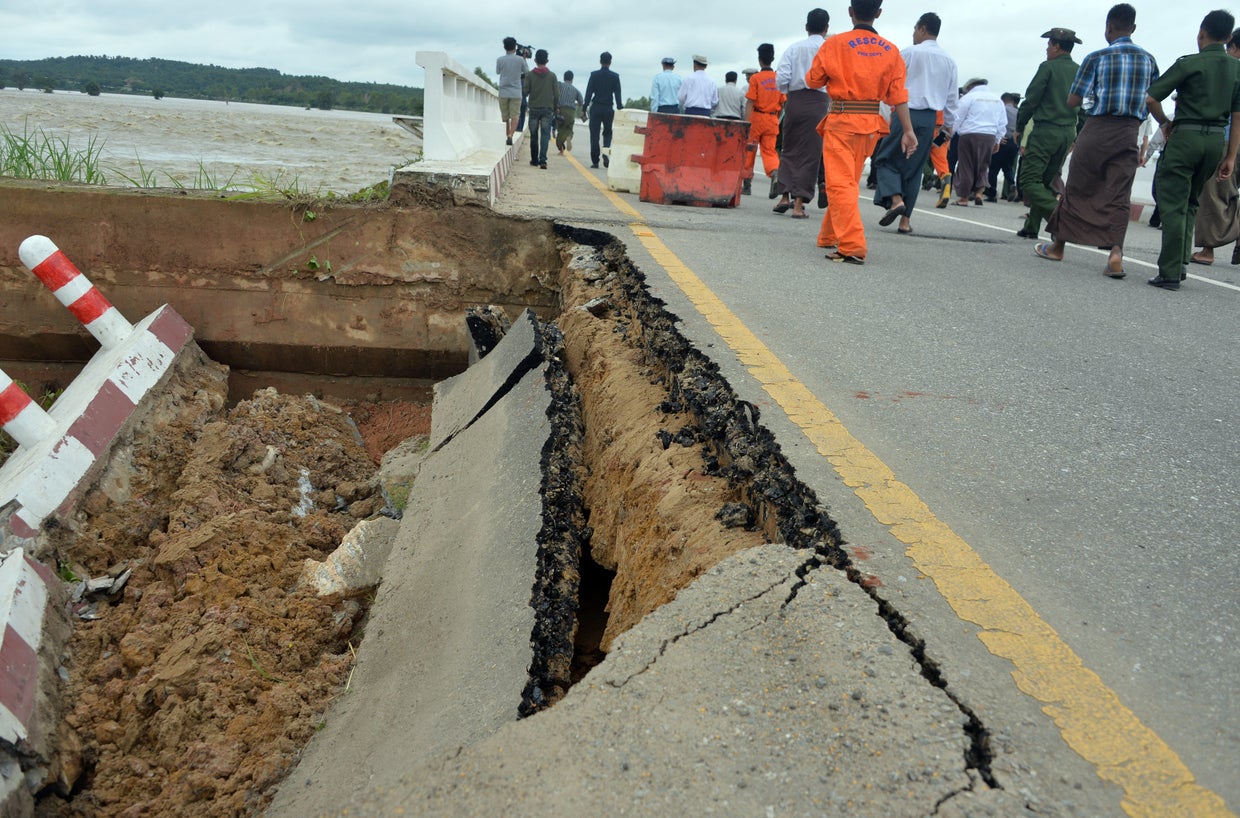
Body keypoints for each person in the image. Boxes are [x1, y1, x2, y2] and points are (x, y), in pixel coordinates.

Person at [1035, 4, 1159, 278]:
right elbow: (1153, 99)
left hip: (1097, 129)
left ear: (1108, 27)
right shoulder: (1149, 60)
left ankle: (1058, 246)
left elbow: (1073, 101)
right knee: (1119, 195)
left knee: (1078, 187)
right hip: (1129, 131)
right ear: (1133, 28)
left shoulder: (1096, 57)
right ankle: (1116, 254)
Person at [806, 0, 917, 264]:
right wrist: (908, 131)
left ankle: (852, 244)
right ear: (878, 13)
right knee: (847, 181)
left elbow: (813, 80)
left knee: (839, 183)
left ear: (850, 12)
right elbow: (898, 96)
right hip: (870, 124)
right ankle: (828, 235)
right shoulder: (891, 51)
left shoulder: (835, 44)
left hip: (842, 120)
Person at [1145, 11, 1240, 290]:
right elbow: (1238, 115)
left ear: (1201, 33)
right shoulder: (1236, 69)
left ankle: (1170, 271)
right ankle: (1182, 262)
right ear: (1229, 37)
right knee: (1191, 202)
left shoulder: (1190, 63)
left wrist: (1164, 123)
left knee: (1173, 202)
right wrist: (1231, 156)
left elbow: (1151, 98)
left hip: (1186, 137)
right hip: (1215, 144)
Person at [872, 11, 958, 235]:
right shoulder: (949, 60)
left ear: (922, 28)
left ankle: (895, 199)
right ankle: (905, 222)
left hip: (905, 113)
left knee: (885, 159)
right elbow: (951, 99)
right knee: (915, 168)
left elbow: (889, 83)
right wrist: (948, 126)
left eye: (914, 29)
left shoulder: (909, 53)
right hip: (931, 119)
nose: (913, 34)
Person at [1014, 28, 1082, 239]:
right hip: (1068, 132)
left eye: (1049, 45)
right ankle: (1032, 226)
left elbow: (1031, 100)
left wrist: (1019, 126)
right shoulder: (1079, 70)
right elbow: (1086, 105)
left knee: (1028, 180)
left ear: (1057, 46)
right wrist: (1077, 135)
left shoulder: (1048, 68)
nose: (1046, 49)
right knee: (1045, 181)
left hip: (1046, 131)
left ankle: (1059, 217)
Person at [1188, 28, 1240, 266]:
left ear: (1234, 47)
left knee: (1215, 192)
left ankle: (1208, 251)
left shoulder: (1229, 70)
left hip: (1228, 137)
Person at [774, 8, 831, 219]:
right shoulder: (829, 48)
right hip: (819, 102)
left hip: (795, 100)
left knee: (789, 148)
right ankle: (799, 205)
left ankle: (785, 196)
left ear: (806, 27)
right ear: (826, 28)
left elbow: (781, 78)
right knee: (811, 154)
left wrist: (789, 91)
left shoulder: (793, 48)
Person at [951, 79, 1007, 206]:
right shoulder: (997, 100)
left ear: (970, 87)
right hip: (989, 136)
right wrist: (998, 139)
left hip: (969, 134)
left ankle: (964, 198)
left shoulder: (968, 98)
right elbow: (1002, 122)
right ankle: (979, 193)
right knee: (983, 165)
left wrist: (949, 135)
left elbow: (957, 118)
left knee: (966, 165)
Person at [746, 43, 785, 198]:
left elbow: (750, 101)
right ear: (772, 58)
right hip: (772, 119)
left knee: (750, 151)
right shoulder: (778, 78)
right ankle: (775, 173)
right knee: (769, 151)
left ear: (759, 60)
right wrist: (775, 117)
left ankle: (746, 185)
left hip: (757, 118)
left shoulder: (755, 78)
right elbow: (782, 103)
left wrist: (747, 122)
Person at [583, 52, 623, 169]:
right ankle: (605, 153)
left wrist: (584, 108)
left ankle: (595, 161)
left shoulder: (594, 75)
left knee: (594, 135)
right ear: (610, 62)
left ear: (600, 61)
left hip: (596, 108)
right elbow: (618, 94)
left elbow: (588, 93)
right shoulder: (615, 77)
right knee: (607, 133)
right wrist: (620, 107)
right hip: (608, 108)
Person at [523, 49, 558, 169]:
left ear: (535, 60)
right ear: (547, 61)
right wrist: (556, 107)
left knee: (533, 135)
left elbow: (525, 91)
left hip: (533, 108)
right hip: (548, 109)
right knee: (544, 135)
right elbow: (557, 94)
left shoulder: (530, 75)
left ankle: (534, 159)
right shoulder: (552, 76)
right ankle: (543, 160)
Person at [985, 92, 1020, 201]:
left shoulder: (1002, 110)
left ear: (1003, 101)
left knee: (993, 168)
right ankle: (1011, 184)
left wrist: (997, 138)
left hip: (1003, 140)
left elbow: (996, 123)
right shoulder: (1018, 112)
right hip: (1014, 143)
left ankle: (992, 193)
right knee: (1008, 167)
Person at [497, 37, 528, 146]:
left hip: (503, 91)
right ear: (515, 48)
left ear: (505, 47)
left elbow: (497, 71)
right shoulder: (520, 60)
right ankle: (510, 135)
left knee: (505, 117)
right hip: (516, 92)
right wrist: (524, 59)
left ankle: (507, 135)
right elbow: (526, 72)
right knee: (515, 116)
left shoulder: (500, 60)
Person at [555, 69, 584, 155]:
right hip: (571, 112)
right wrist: (574, 103)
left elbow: (555, 94)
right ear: (572, 79)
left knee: (560, 130)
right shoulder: (576, 90)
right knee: (569, 129)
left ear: (564, 78)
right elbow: (581, 102)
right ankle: (569, 137)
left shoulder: (559, 85)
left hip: (561, 110)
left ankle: (561, 150)